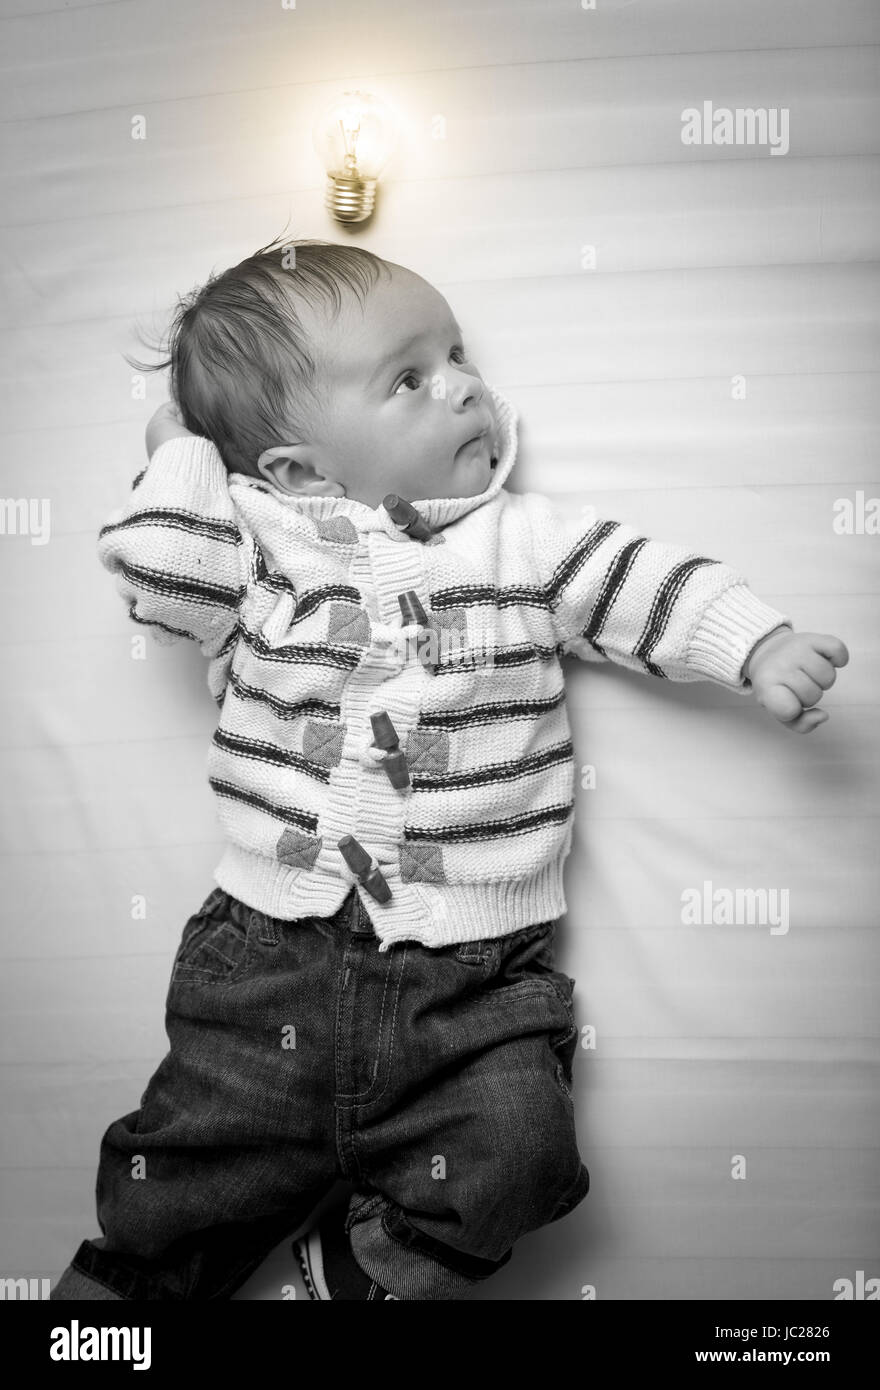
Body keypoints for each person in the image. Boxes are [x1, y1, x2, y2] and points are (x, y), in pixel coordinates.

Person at [51, 239, 849, 1301]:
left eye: (457, 354)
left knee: (519, 1152)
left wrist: (750, 643)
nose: (466, 385)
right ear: (294, 469)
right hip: (266, 960)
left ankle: (344, 1274)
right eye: (411, 379)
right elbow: (157, 572)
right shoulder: (255, 549)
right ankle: (111, 1306)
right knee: (185, 1167)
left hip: (473, 975)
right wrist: (180, 446)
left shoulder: (520, 544)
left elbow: (639, 577)